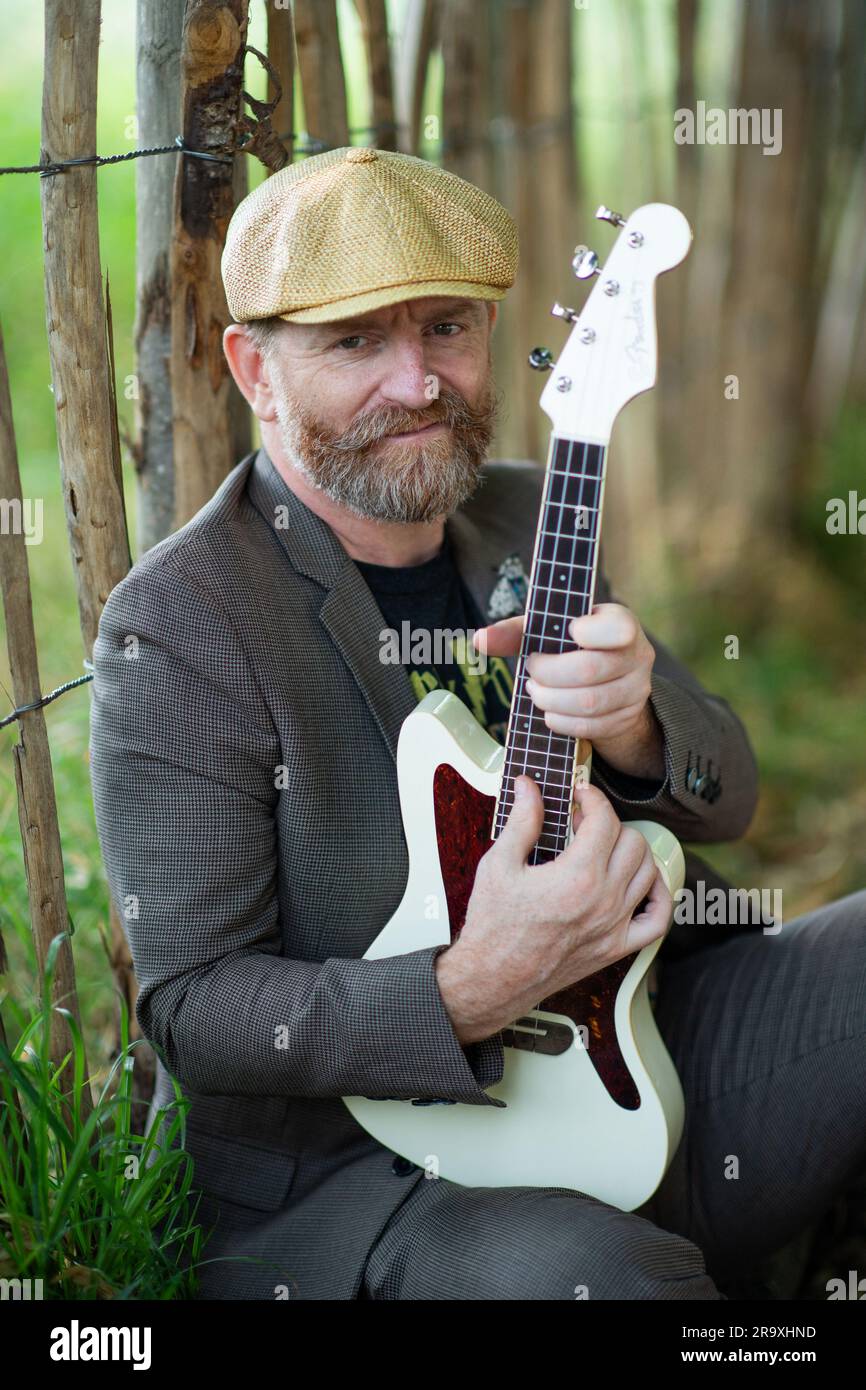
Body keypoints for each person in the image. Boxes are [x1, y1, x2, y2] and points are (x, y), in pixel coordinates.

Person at [89, 147, 865, 1300]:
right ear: (254, 369)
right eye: (356, 342)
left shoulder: (524, 512)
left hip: (646, 1052)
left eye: (446, 327)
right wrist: (473, 984)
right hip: (376, 1167)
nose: (417, 381)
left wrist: (642, 721)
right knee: (604, 1284)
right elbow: (197, 1011)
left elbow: (732, 799)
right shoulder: (181, 619)